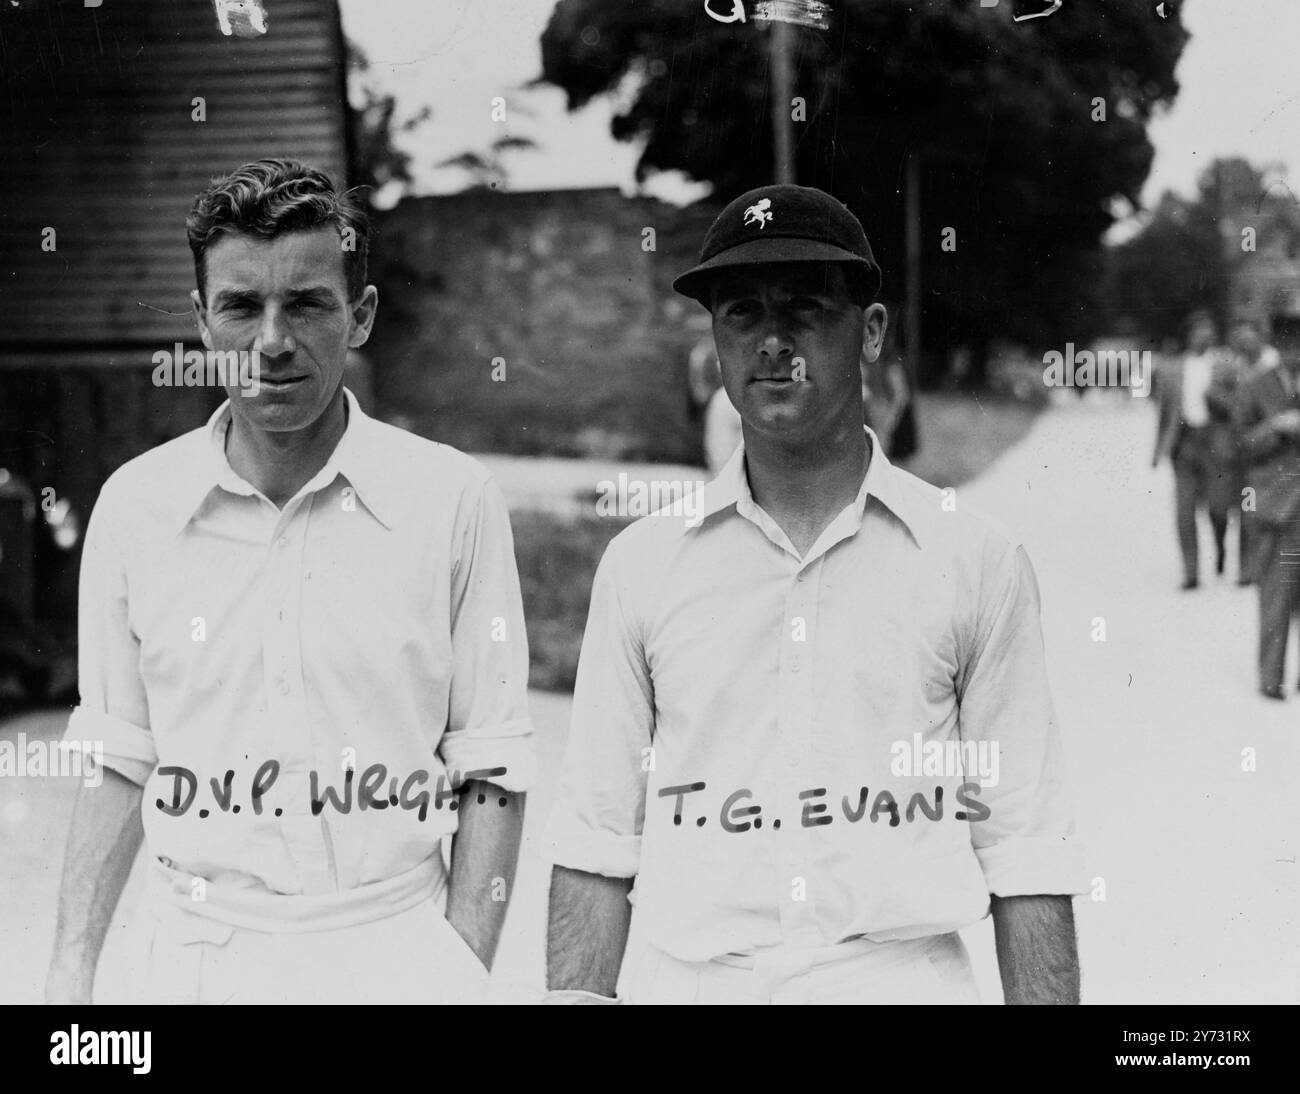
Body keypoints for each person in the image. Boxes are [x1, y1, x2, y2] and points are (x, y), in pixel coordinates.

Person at [542, 183, 1087, 1005]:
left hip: (897, 980)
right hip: (694, 982)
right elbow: (596, 839)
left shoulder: (973, 559)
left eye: (804, 309)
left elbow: (1026, 845)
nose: (772, 342)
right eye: (741, 314)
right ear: (714, 343)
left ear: (869, 333)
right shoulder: (643, 565)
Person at [45, 159, 535, 1004]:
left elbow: (491, 761)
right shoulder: (136, 506)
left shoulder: (452, 500)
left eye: (306, 303)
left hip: (392, 952)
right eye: (241, 306)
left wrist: (459, 970)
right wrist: (68, 977)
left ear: (361, 316)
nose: (272, 343)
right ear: (202, 322)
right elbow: (120, 754)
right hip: (190, 960)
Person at [1235, 330, 1300, 700]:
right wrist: (1275, 427)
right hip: (1277, 506)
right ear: (1282, 347)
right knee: (1276, 595)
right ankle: (1271, 679)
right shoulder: (1256, 386)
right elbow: (1240, 442)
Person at [1153, 311, 1233, 589]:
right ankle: (1191, 573)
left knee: (1219, 508)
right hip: (1184, 445)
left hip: (1215, 445)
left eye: (1209, 330)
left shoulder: (1225, 364)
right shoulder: (1172, 368)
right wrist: (1157, 450)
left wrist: (1217, 396)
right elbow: (1164, 412)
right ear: (1188, 335)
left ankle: (1221, 546)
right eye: (1199, 331)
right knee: (1184, 512)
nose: (1205, 336)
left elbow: (1237, 406)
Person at [1224, 319, 1280, 584]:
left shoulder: (1275, 365)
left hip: (1277, 453)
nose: (1246, 344)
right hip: (1247, 457)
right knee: (1248, 511)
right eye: (1241, 340)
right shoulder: (1233, 369)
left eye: (1250, 338)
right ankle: (1248, 567)